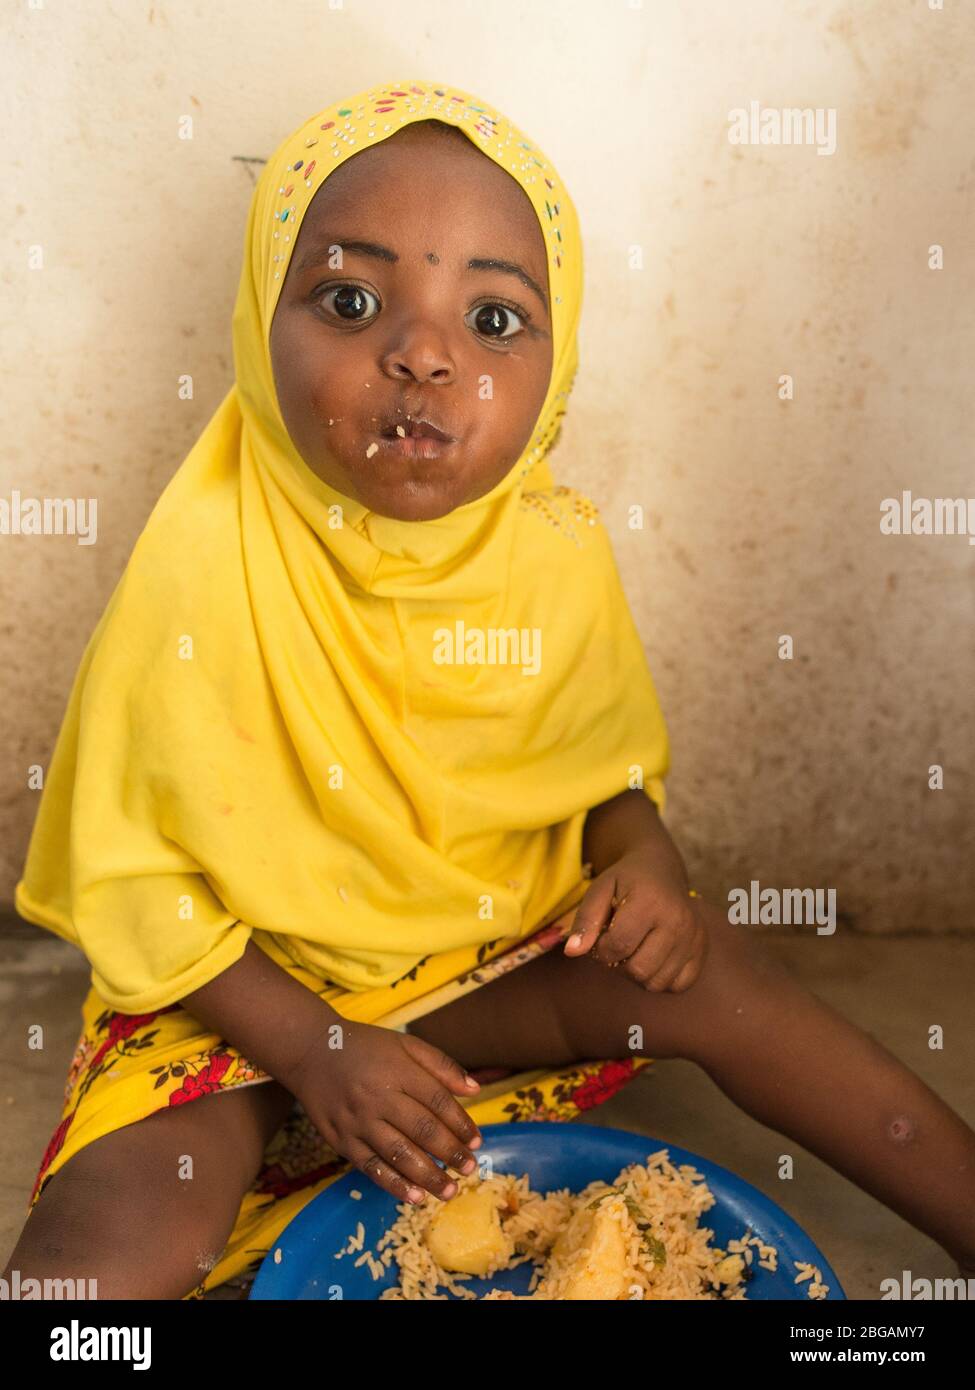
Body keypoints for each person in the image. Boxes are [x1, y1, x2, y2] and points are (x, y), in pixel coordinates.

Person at [5, 81, 974, 1300]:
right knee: (96, 1273)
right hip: (241, 1011)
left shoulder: (553, 549)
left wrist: (648, 868)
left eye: (496, 319)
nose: (424, 353)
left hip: (474, 980)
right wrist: (318, 1047)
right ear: (262, 319)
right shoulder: (203, 560)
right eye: (352, 301)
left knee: (708, 969)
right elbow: (132, 884)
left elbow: (604, 779)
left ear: (556, 370)